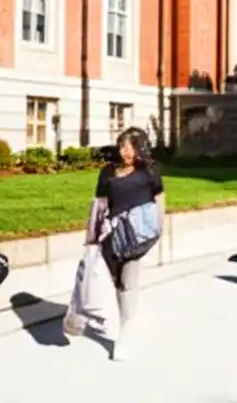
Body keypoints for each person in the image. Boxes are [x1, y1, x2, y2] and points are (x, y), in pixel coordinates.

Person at [95, 127, 165, 361]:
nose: (124, 151)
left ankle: (123, 335)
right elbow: (100, 203)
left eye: (130, 146)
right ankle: (127, 315)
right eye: (122, 145)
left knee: (128, 282)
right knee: (118, 283)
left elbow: (159, 199)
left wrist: (158, 228)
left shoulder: (149, 171)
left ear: (139, 148)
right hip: (112, 235)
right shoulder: (107, 172)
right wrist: (94, 234)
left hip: (136, 234)